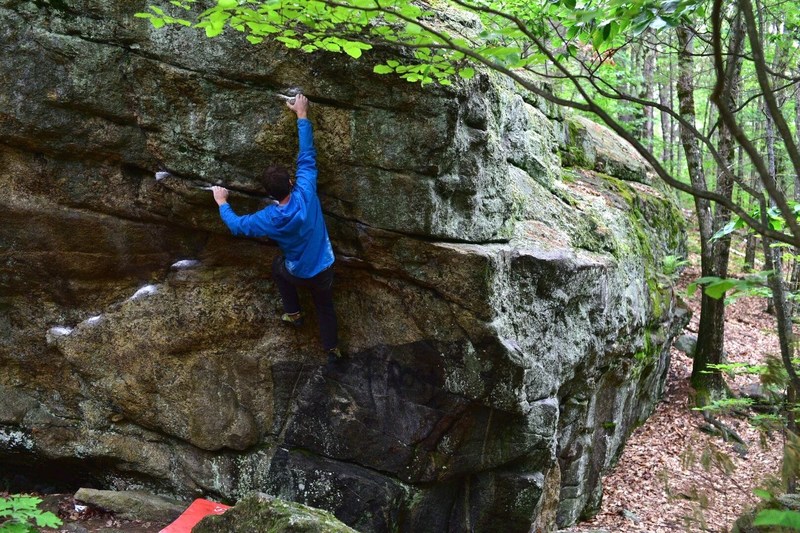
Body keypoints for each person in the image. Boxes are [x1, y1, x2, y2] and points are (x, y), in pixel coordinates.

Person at [211, 94, 341, 362]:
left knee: (278, 268)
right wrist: (302, 116)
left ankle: (293, 313)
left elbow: (236, 226)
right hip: (324, 266)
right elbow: (307, 156)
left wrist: (222, 202)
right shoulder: (305, 190)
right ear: (291, 181)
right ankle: (332, 350)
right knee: (325, 307)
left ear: (268, 193)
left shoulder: (268, 218)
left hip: (297, 271)